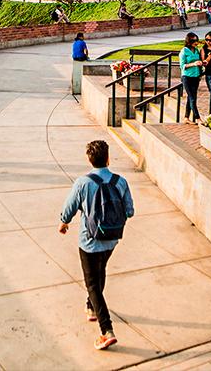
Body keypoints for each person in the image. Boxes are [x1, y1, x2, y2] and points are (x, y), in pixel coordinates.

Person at [59, 140, 135, 351]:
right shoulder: (121, 182)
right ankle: (91, 306)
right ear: (108, 158)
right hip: (112, 239)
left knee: (92, 283)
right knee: (100, 272)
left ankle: (106, 330)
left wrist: (64, 222)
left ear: (89, 160)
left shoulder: (83, 183)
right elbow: (130, 211)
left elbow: (70, 207)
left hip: (89, 241)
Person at [179, 32, 203, 124]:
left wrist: (201, 63)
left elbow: (199, 61)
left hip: (196, 76)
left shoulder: (197, 50)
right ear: (188, 41)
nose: (196, 42)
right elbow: (182, 65)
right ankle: (197, 118)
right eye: (193, 41)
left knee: (191, 97)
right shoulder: (184, 51)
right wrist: (194, 64)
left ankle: (186, 117)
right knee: (192, 98)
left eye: (197, 40)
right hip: (187, 77)